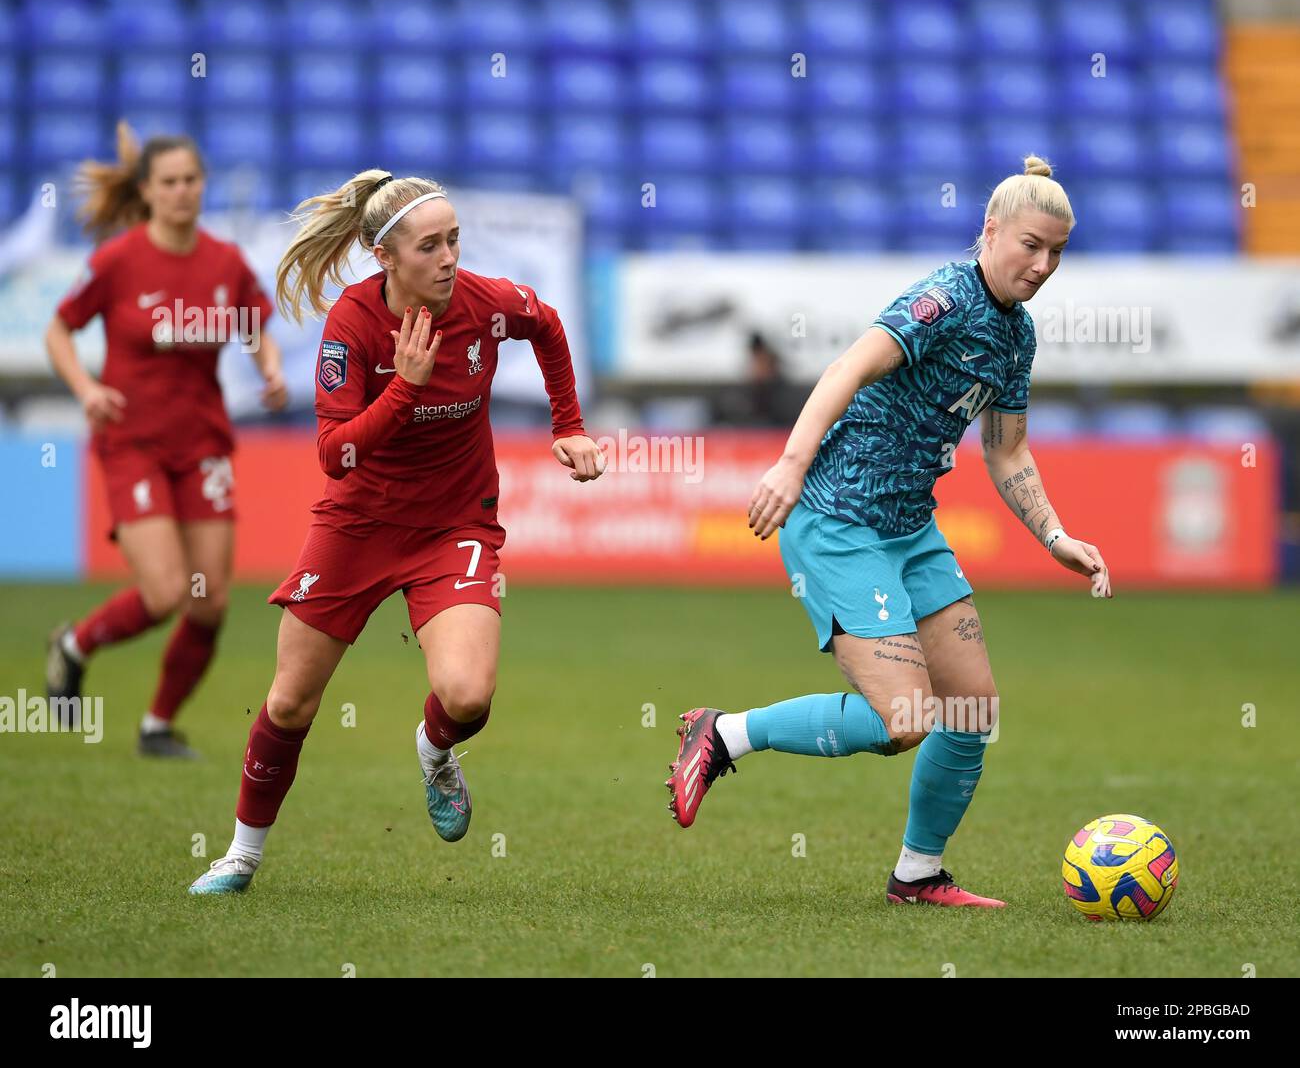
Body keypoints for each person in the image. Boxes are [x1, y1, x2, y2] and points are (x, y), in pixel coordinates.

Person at [665, 156, 1112, 907]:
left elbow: (1006, 450)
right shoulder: (942, 299)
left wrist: (1054, 534)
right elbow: (847, 366)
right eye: (1031, 245)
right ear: (991, 230)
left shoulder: (1017, 338)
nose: (1043, 266)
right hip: (839, 520)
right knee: (903, 721)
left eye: (1057, 253)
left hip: (910, 530)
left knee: (970, 711)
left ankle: (917, 875)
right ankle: (724, 732)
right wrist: (790, 464)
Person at [189, 170, 603, 893]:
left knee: (468, 694)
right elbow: (334, 452)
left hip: (455, 524)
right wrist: (406, 386)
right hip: (358, 526)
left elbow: (547, 325)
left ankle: (435, 750)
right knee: (289, 701)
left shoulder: (485, 302)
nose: (449, 259)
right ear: (386, 257)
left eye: (454, 241)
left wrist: (567, 424)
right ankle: (241, 856)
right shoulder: (350, 325)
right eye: (430, 246)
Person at [45, 122, 288, 757]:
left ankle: (157, 725)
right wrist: (86, 390)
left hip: (202, 446)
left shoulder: (224, 263)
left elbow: (255, 325)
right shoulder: (117, 261)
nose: (183, 192)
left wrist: (270, 369)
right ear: (148, 191)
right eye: (170, 182)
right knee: (166, 593)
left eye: (192, 180)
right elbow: (58, 331)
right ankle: (75, 644)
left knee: (208, 605)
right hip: (133, 446)